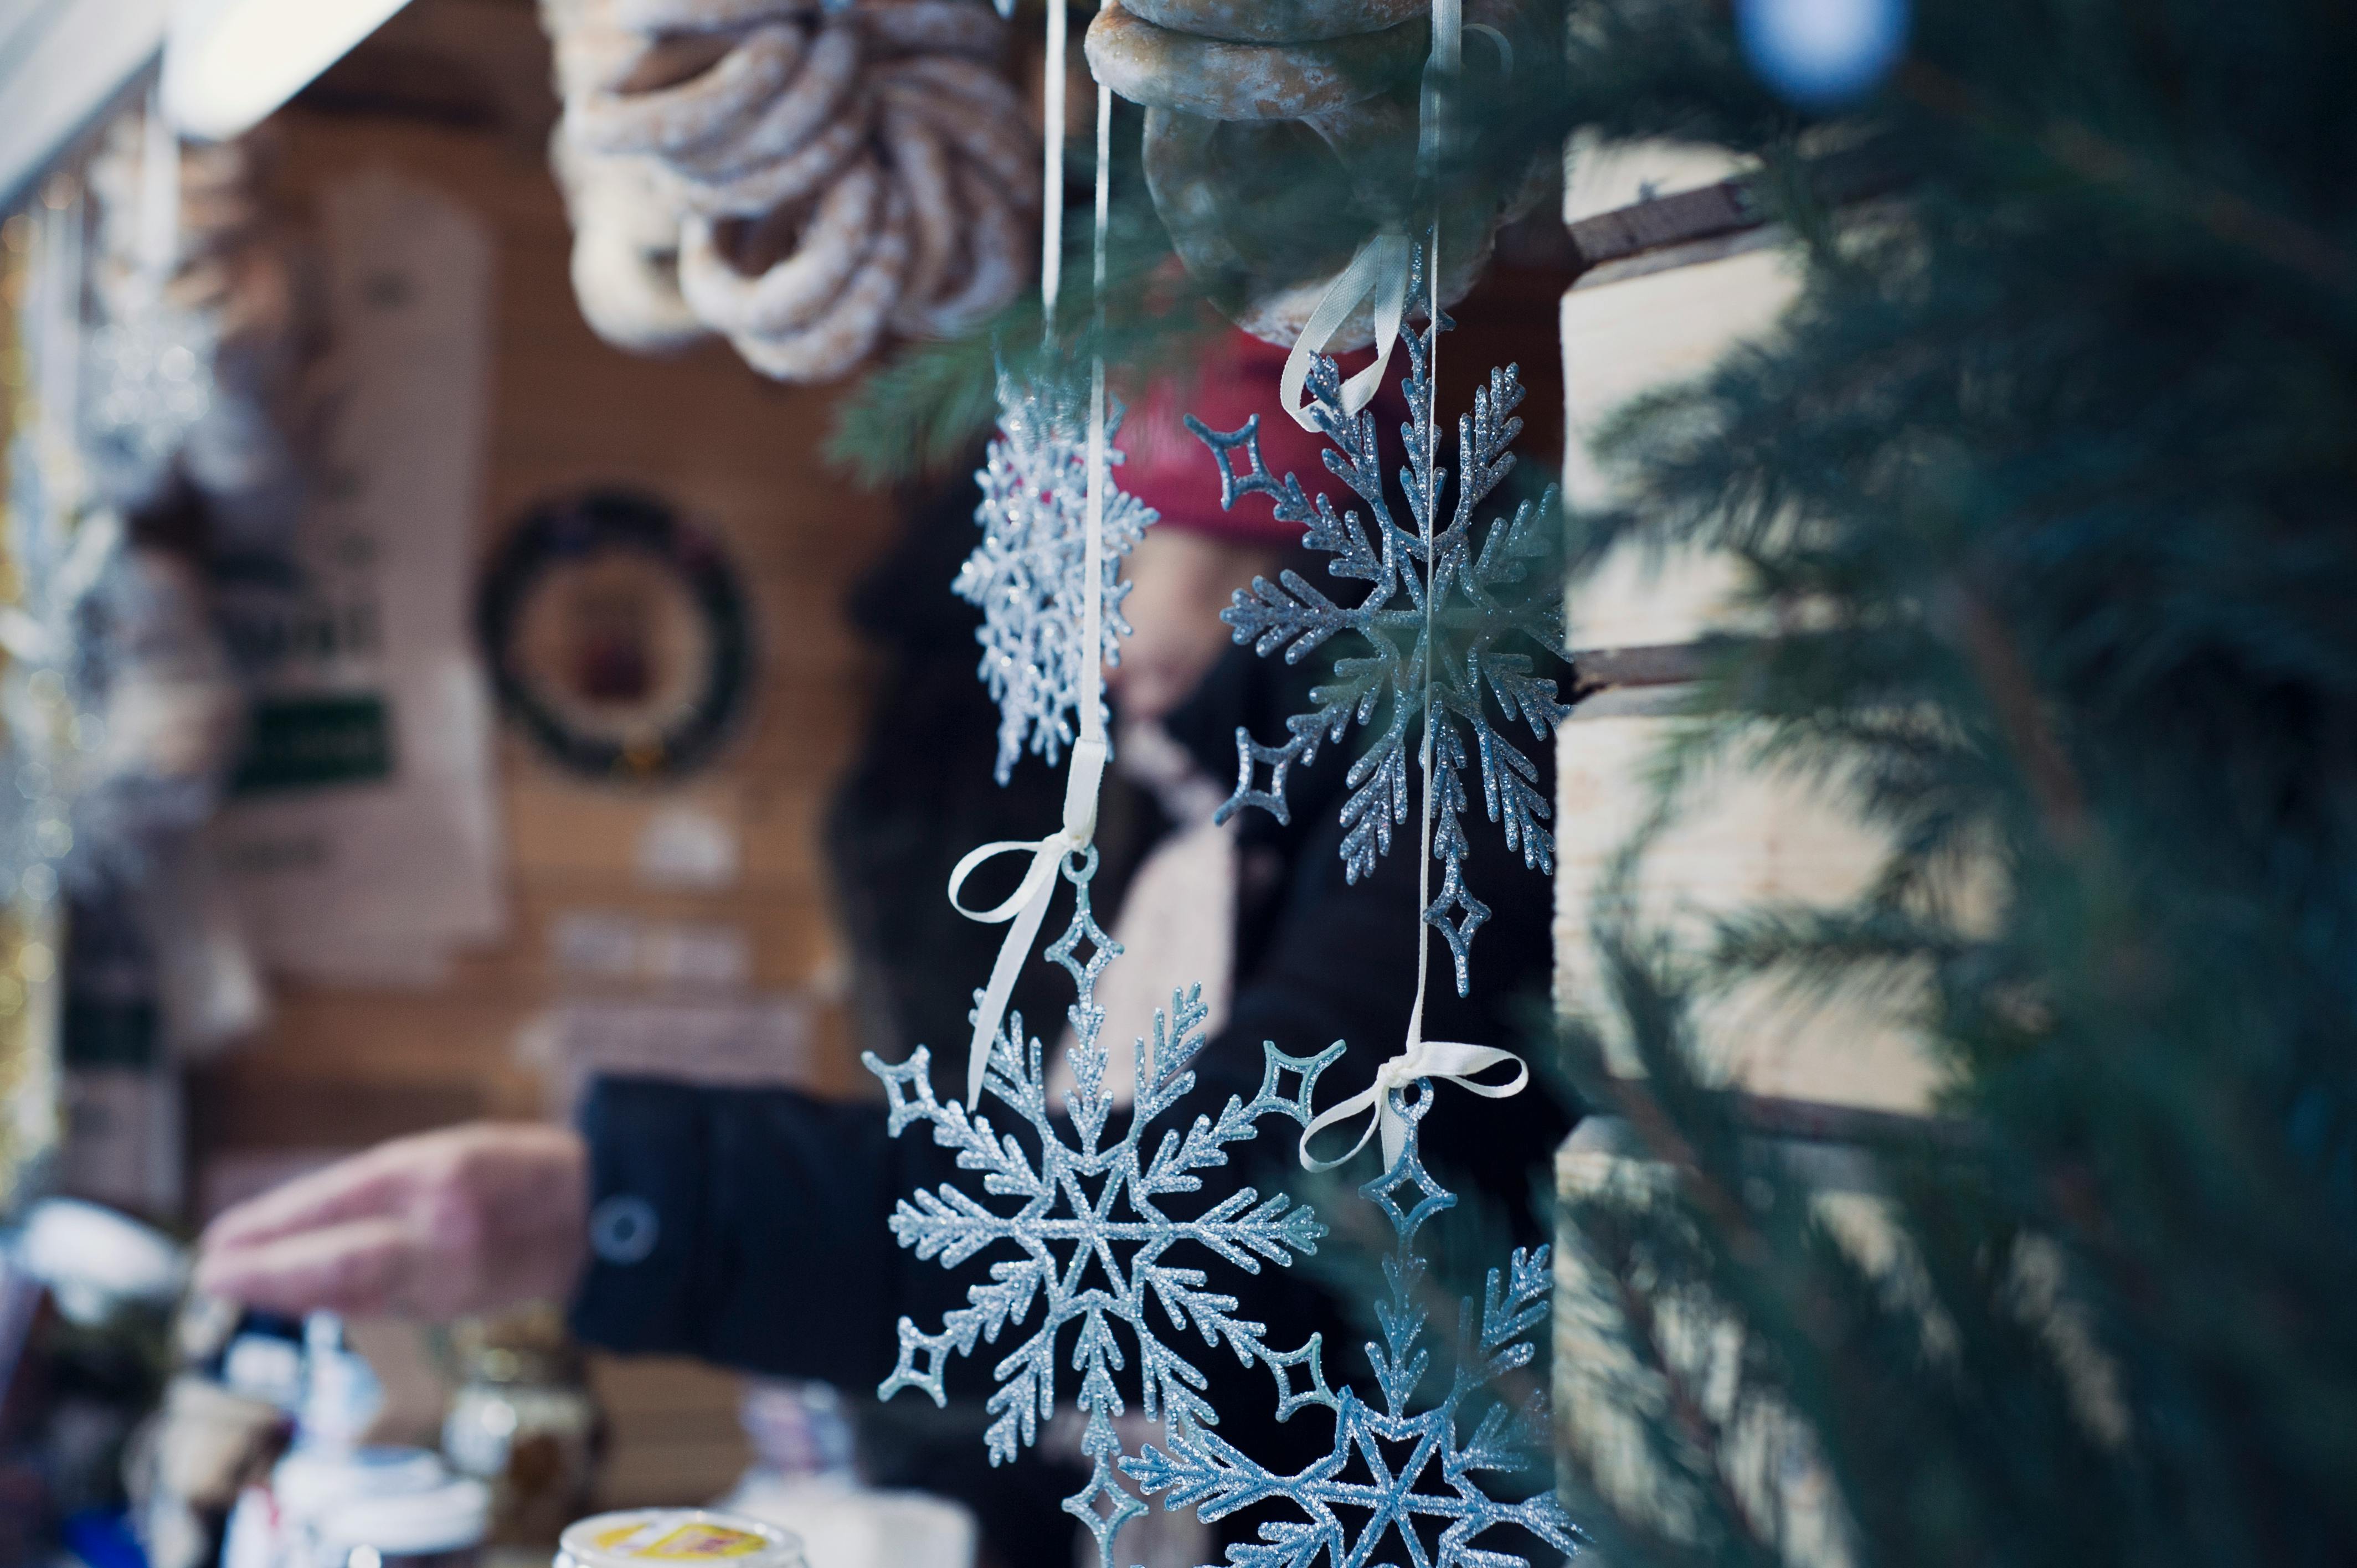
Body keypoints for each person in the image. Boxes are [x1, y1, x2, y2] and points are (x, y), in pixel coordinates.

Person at [194, 331, 1573, 1560]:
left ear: (1267, 529)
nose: (1094, 658)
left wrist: (632, 1209)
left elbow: (1219, 1220)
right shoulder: (1235, 829)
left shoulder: (1448, 784)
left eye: (1116, 562)